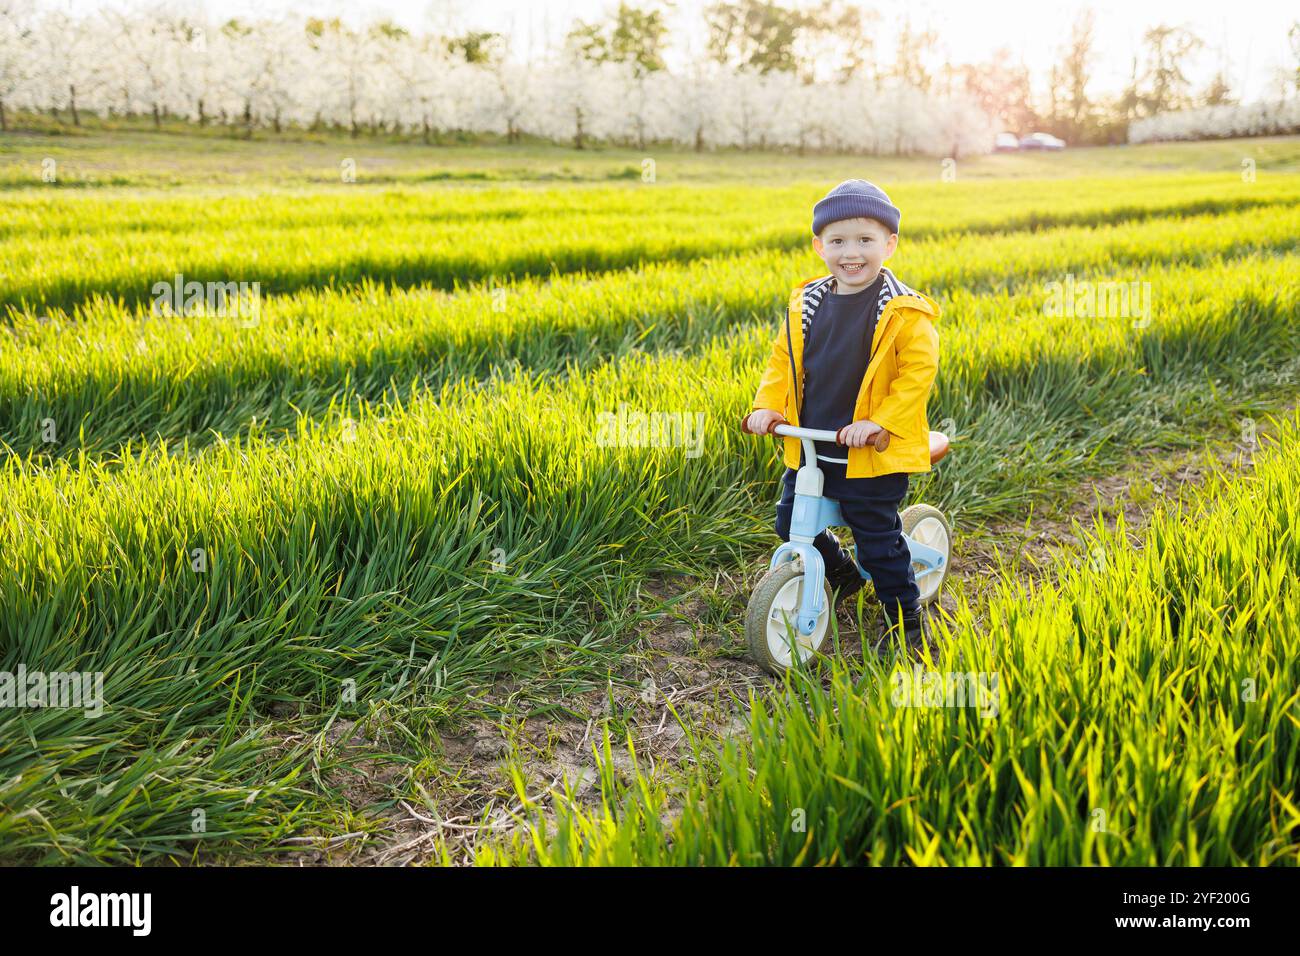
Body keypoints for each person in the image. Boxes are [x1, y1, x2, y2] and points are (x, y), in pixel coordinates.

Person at [741, 179, 941, 650]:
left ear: (889, 243)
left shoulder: (903, 311)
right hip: (813, 444)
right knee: (790, 518)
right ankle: (842, 574)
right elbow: (782, 361)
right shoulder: (808, 303)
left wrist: (880, 423)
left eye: (865, 240)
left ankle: (904, 619)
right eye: (838, 241)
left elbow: (917, 374)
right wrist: (767, 406)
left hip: (871, 450)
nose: (851, 253)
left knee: (878, 536)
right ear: (819, 246)